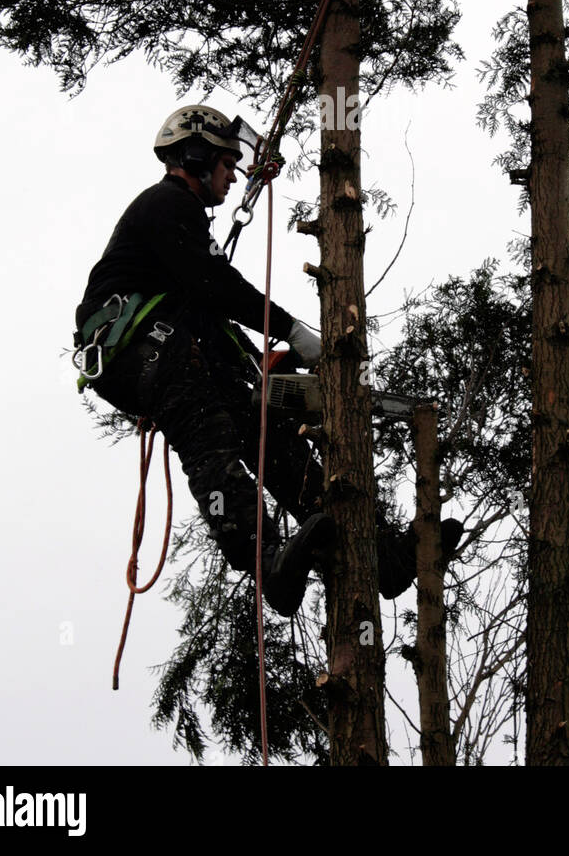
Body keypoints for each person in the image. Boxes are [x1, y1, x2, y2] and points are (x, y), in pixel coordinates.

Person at [74, 105, 460, 615]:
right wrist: (291, 330)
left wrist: (263, 365)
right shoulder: (166, 205)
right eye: (226, 164)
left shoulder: (183, 230)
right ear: (197, 156)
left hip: (174, 345)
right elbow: (214, 285)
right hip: (139, 350)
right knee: (208, 439)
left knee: (274, 437)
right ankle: (265, 562)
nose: (232, 176)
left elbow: (206, 311)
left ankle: (377, 556)